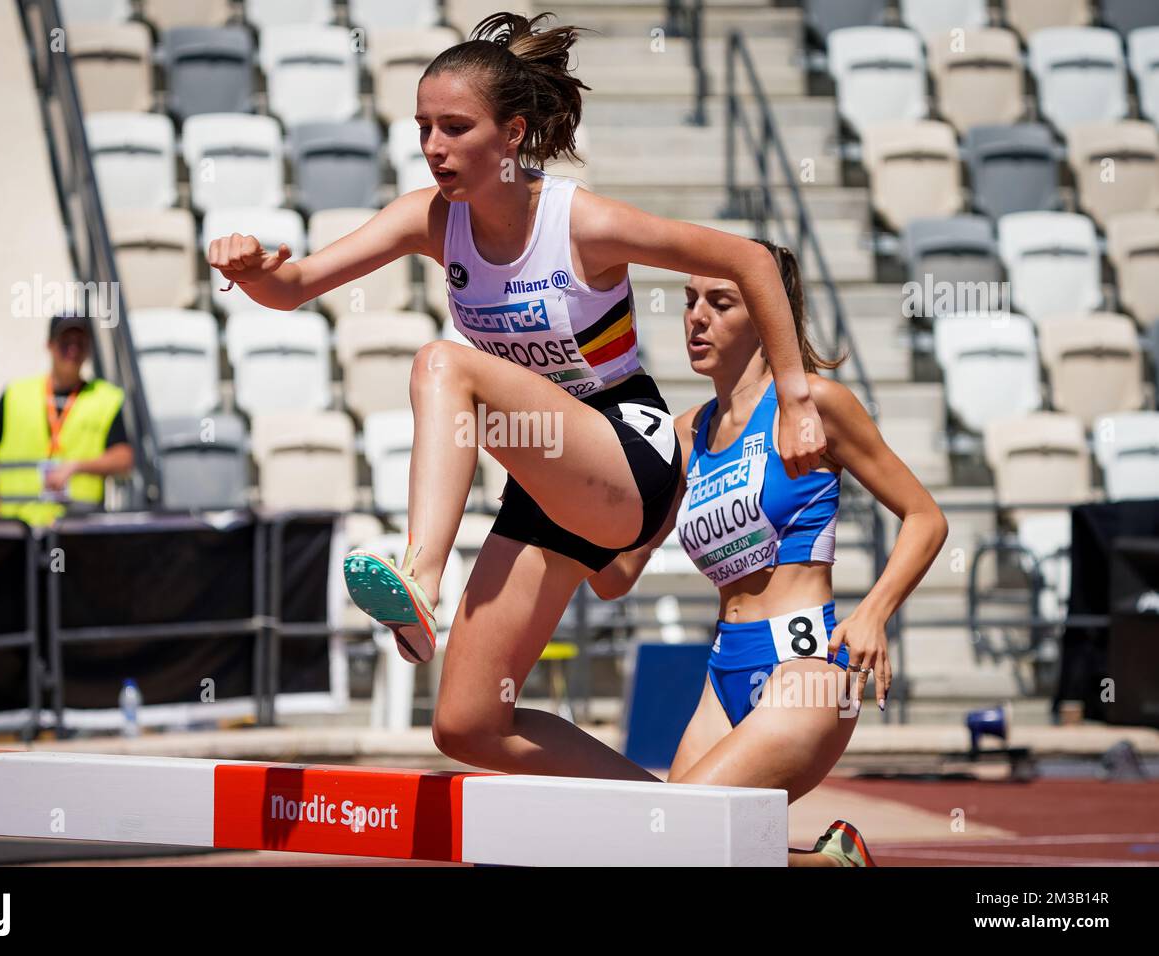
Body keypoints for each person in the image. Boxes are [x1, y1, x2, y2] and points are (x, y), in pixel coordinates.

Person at [208, 12, 824, 783]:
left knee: (443, 364)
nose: (434, 147)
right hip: (549, 475)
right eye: (423, 127)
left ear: (512, 135)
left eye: (455, 127)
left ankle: (420, 580)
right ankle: (679, 821)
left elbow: (750, 260)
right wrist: (249, 265)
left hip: (627, 449)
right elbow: (293, 288)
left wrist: (796, 396)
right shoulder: (430, 219)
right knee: (467, 725)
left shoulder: (582, 221)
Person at [589, 242, 950, 865]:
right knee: (680, 855)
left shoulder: (814, 406)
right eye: (689, 300)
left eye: (720, 302)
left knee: (674, 836)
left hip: (807, 668)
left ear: (766, 314)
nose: (695, 318)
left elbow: (926, 517)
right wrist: (551, 483)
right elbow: (615, 576)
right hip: (723, 673)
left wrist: (873, 612)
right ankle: (829, 864)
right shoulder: (686, 433)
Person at [0, 313, 133, 526]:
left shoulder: (106, 398)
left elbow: (124, 458)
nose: (73, 350)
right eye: (66, 342)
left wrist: (77, 466)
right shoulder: (17, 394)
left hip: (77, 528)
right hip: (17, 527)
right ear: (49, 345)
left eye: (80, 343)